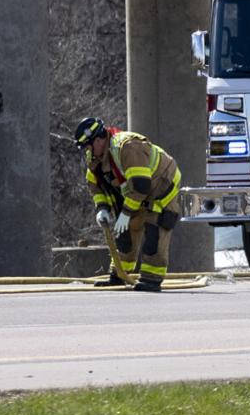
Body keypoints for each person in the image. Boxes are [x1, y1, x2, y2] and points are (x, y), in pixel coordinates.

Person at [75, 117, 182, 293]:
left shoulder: (128, 147)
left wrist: (125, 213)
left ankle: (151, 279)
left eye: (88, 146)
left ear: (99, 139)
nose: (87, 151)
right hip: (136, 193)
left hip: (161, 189)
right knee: (124, 234)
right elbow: (94, 184)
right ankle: (119, 274)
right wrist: (101, 208)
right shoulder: (95, 157)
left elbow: (141, 186)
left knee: (154, 231)